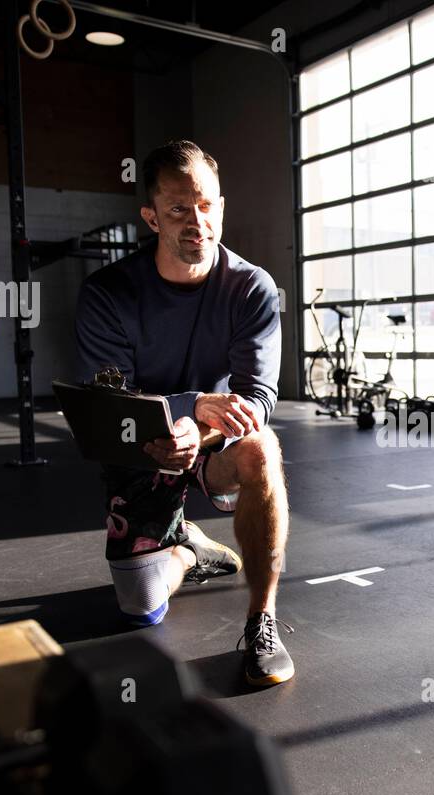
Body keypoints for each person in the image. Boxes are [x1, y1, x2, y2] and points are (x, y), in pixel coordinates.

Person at [76, 140, 294, 687]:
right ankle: (186, 552)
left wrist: (198, 427)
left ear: (221, 205)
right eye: (177, 209)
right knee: (140, 610)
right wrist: (186, 408)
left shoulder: (252, 288)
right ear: (151, 216)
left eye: (207, 205)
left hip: (215, 443)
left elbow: (257, 399)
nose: (196, 222)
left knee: (261, 448)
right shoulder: (108, 294)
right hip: (143, 447)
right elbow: (109, 406)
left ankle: (261, 621)